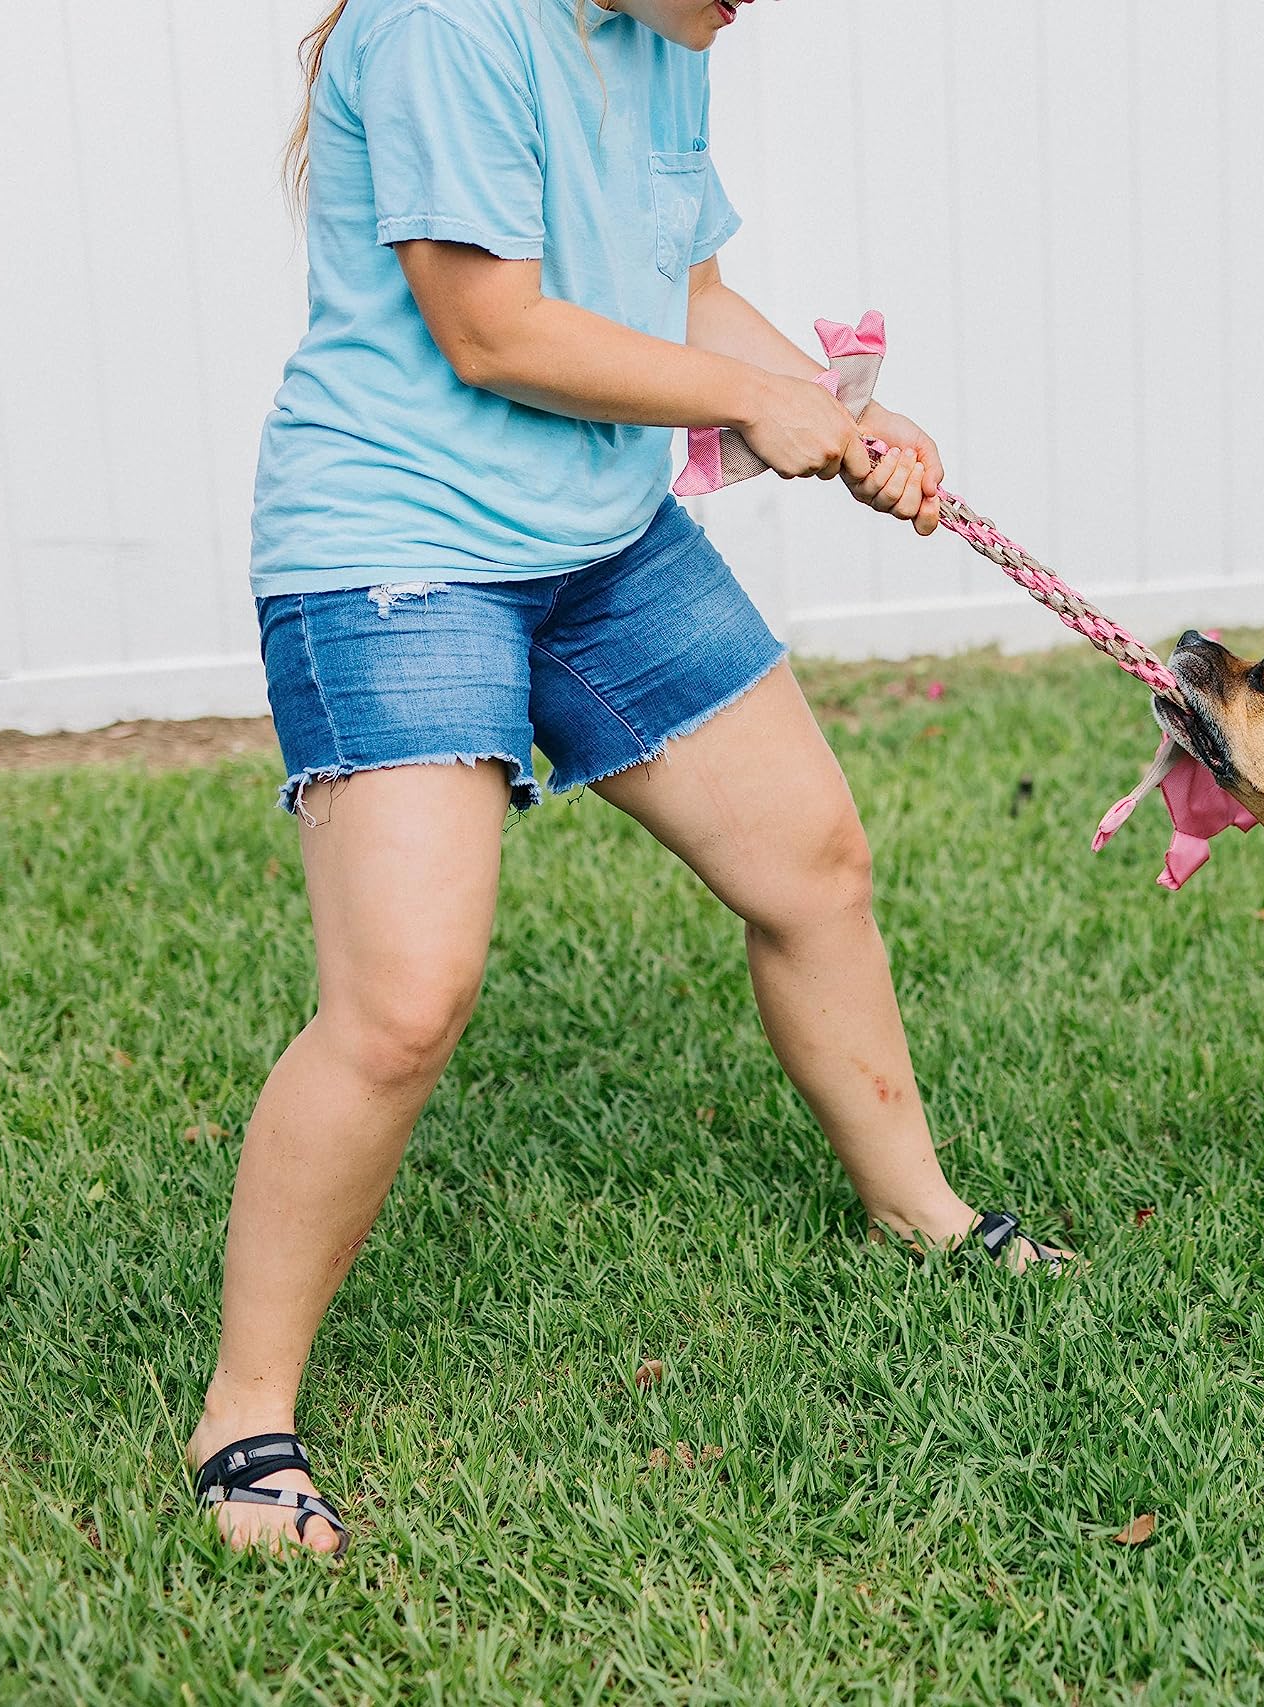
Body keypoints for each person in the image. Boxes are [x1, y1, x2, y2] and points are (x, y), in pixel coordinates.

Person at [192, 0, 1069, 1557]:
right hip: (398, 551)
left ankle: (914, 1208)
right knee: (402, 1004)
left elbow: (692, 291)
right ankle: (244, 1415)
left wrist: (835, 406)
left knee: (812, 866)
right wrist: (756, 407)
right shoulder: (451, 24)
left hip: (596, 539)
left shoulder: (665, 35)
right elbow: (494, 331)